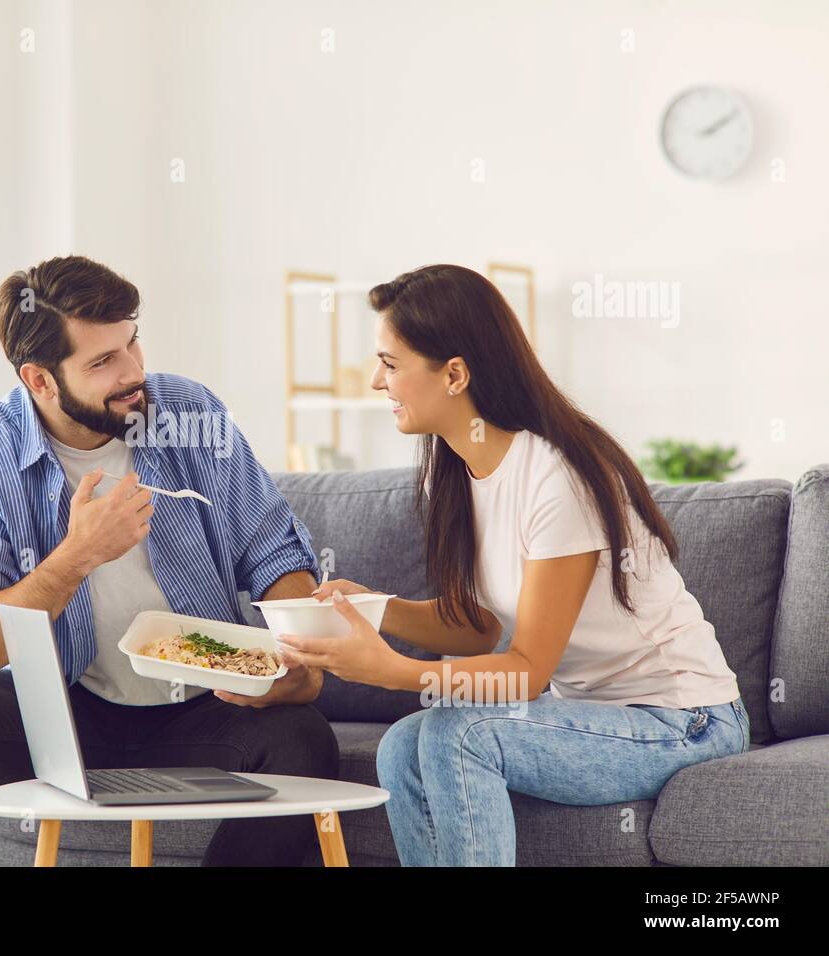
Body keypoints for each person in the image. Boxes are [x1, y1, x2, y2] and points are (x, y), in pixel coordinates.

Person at [279, 264, 749, 866]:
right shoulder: (454, 468)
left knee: (461, 732)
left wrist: (388, 670)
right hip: (587, 714)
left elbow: (526, 671)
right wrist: (373, 612)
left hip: (683, 720)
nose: (376, 381)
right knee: (401, 745)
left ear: (454, 374)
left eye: (390, 364)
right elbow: (479, 624)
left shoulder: (558, 477)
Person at [0, 255, 339, 866]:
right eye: (102, 361)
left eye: (132, 343)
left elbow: (275, 554)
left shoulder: (187, 414)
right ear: (40, 380)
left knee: (302, 741)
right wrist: (76, 556)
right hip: (64, 717)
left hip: (199, 706)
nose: (133, 372)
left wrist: (294, 659)